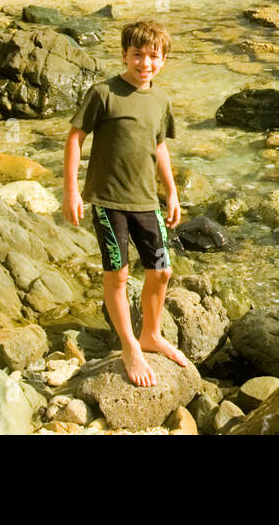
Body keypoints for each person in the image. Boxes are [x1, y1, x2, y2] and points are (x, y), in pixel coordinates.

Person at [63, 20, 189, 387]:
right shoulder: (103, 92)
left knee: (162, 270)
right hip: (108, 200)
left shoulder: (161, 100)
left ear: (163, 60)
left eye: (153, 57)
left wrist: (172, 189)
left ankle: (151, 332)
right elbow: (75, 138)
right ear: (124, 55)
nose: (144, 63)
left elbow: (159, 145)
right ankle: (129, 345)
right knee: (117, 273)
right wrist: (71, 190)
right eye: (137, 55)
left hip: (146, 201)